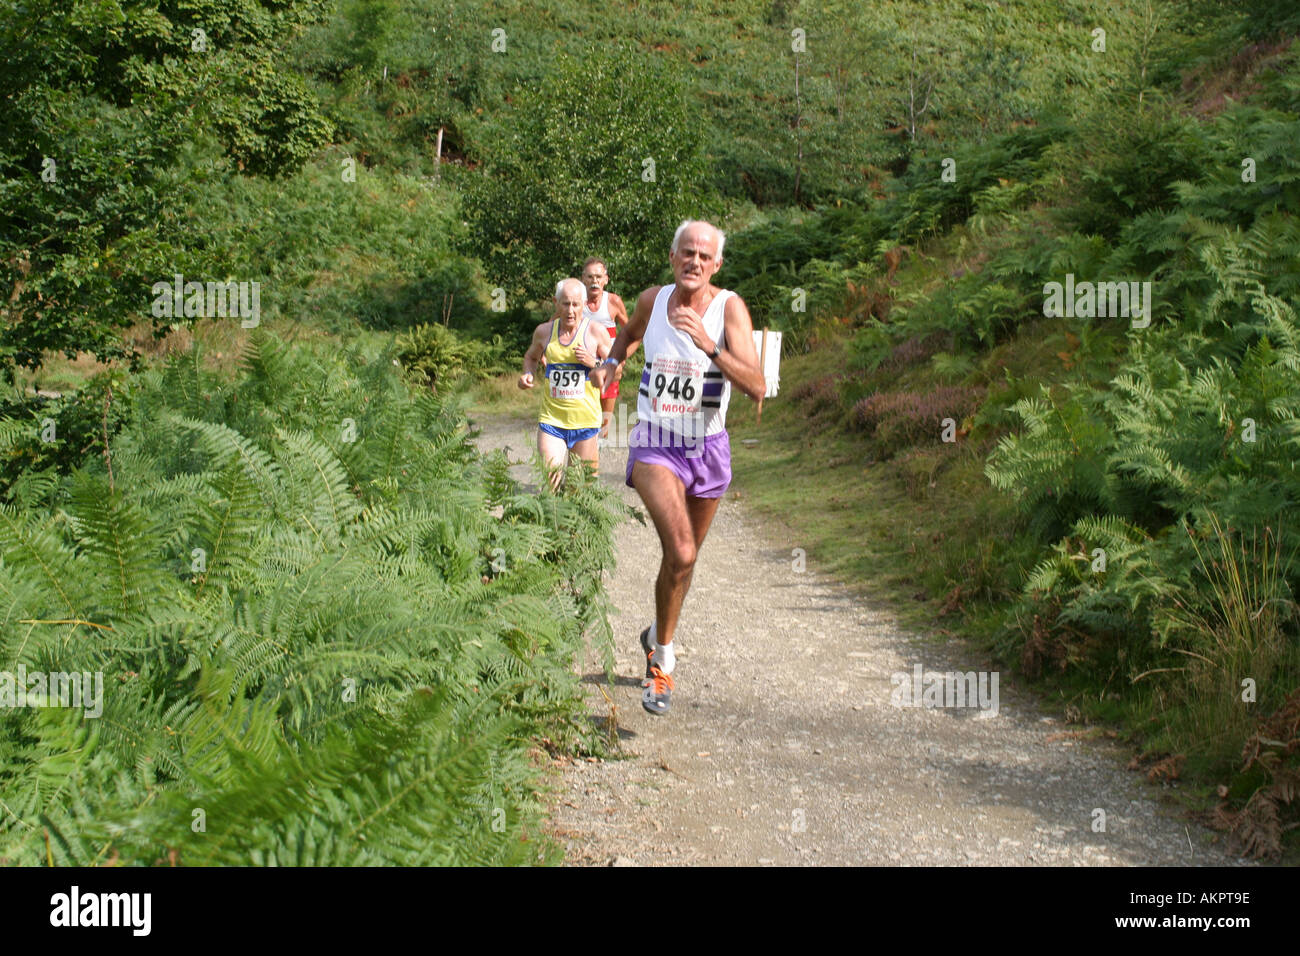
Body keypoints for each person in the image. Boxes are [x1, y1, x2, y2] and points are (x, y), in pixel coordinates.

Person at [589, 221, 766, 715]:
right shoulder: (651, 299)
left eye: (704, 257)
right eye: (686, 252)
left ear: (717, 266)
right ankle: (662, 664)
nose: (694, 262)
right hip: (655, 443)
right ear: (672, 257)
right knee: (683, 549)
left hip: (708, 448)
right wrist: (611, 363)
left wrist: (711, 348)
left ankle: (654, 636)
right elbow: (627, 337)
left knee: (682, 563)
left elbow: (756, 385)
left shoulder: (730, 308)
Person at [518, 278, 613, 492]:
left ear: (585, 304)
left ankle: (572, 527)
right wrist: (527, 374)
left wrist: (594, 363)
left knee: (578, 489)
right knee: (548, 484)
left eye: (576, 304)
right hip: (552, 420)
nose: (570, 310)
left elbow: (615, 370)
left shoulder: (595, 332)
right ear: (556, 303)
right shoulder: (544, 332)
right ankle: (552, 525)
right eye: (565, 304)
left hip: (585, 423)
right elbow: (531, 357)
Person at [578, 257, 633, 440]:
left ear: (606, 279)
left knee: (603, 422)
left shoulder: (613, 301)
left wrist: (622, 358)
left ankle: (596, 459)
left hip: (607, 366)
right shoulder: (575, 302)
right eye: (590, 277)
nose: (595, 281)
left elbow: (632, 331)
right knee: (580, 420)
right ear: (583, 279)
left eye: (599, 277)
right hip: (580, 366)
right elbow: (554, 325)